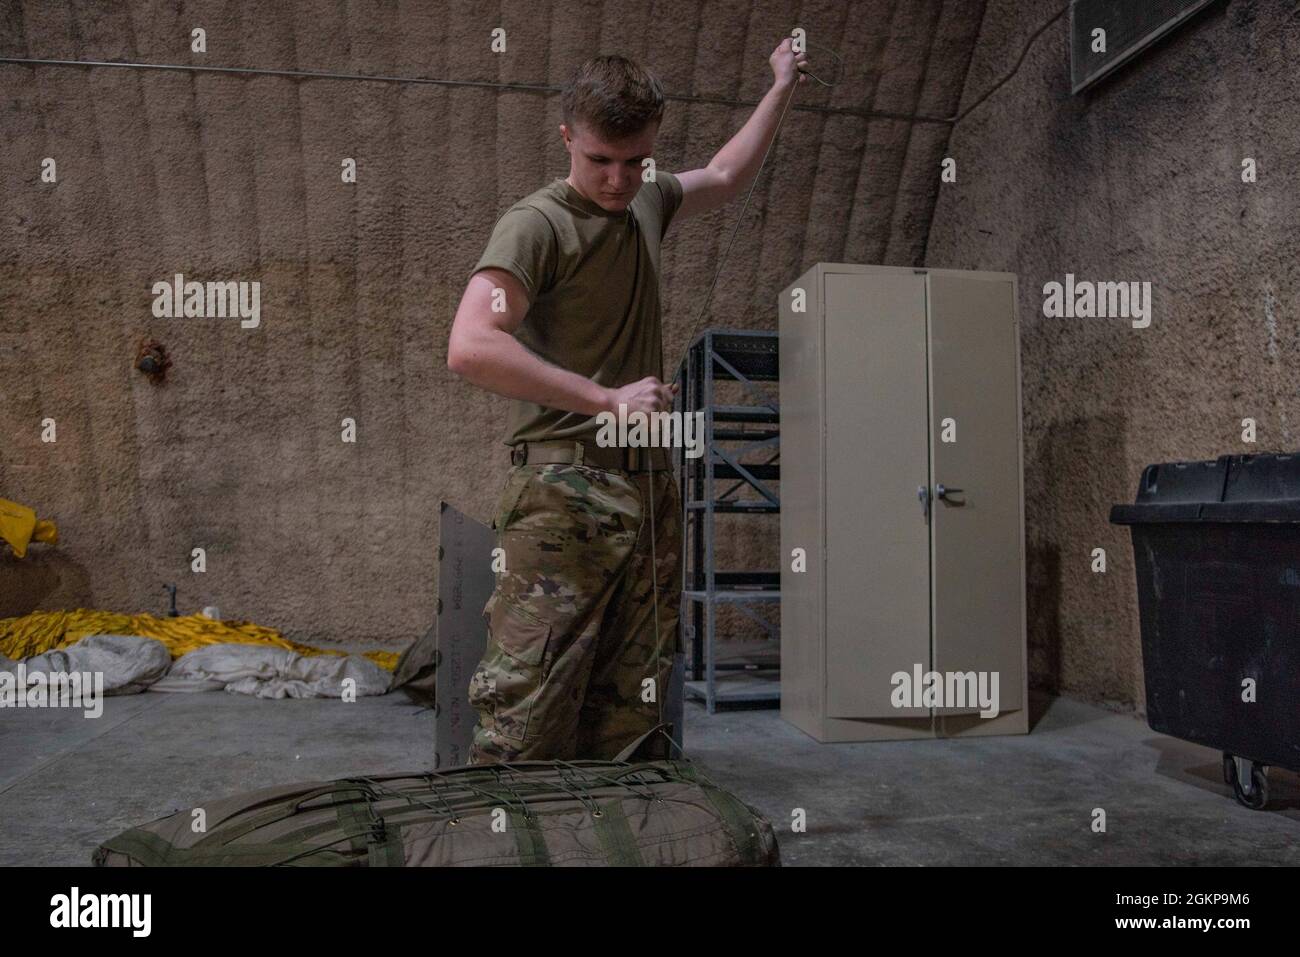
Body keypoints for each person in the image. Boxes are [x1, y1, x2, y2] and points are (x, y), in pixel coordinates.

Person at [446, 39, 809, 763]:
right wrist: (605, 397)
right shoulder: (537, 224)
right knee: (530, 703)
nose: (618, 180)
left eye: (636, 161)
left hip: (647, 484)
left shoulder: (648, 198)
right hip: (563, 488)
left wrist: (781, 85)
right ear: (567, 139)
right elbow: (470, 343)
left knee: (635, 697)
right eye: (600, 160)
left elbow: (728, 174)